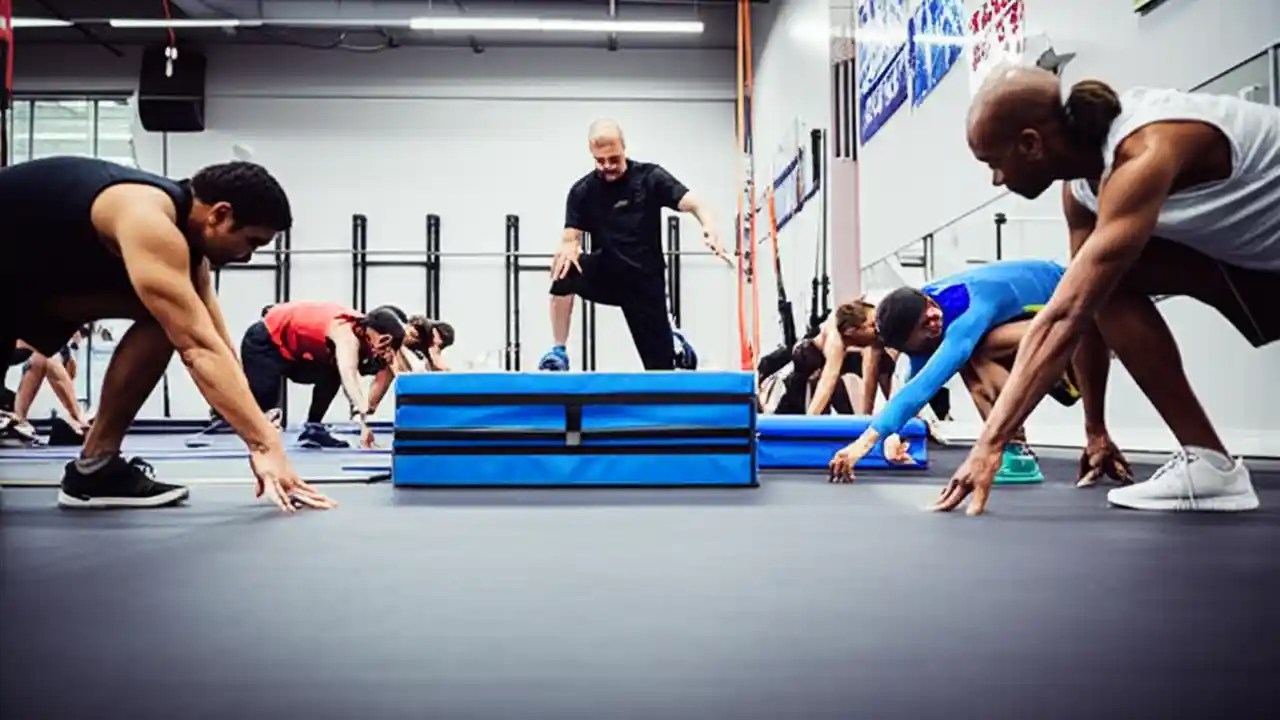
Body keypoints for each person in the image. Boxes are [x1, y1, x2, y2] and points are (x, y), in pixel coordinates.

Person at [936, 64, 1279, 516]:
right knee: (1105, 281)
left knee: (1094, 282)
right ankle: (1209, 464)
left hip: (1257, 258)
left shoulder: (1146, 146)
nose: (996, 180)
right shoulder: (1081, 192)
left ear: (1031, 144)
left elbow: (1061, 317)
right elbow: (1087, 306)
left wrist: (990, 443)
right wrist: (1094, 429)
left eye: (993, 163)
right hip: (1257, 262)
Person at [0, 155, 335, 512]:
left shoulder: (189, 253)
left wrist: (259, 423)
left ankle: (94, 467)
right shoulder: (148, 218)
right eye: (251, 242)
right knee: (171, 317)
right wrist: (263, 444)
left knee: (164, 317)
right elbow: (196, 348)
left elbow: (216, 343)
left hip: (23, 281)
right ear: (219, 215)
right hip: (20, 276)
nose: (248, 257)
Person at [828, 259, 1086, 482]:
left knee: (977, 351)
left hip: (1083, 304)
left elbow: (926, 384)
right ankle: (1063, 377)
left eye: (929, 308)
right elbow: (913, 385)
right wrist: (895, 435)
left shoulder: (968, 311)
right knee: (975, 350)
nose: (933, 316)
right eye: (924, 324)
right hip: (1051, 317)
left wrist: (864, 444)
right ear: (910, 345)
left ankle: (1017, 453)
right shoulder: (925, 320)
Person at [540, 119, 728, 371]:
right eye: (600, 161)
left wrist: (709, 225)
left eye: (614, 159)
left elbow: (695, 203)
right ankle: (558, 351)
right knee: (564, 271)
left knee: (660, 369)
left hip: (645, 282)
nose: (608, 166)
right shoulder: (582, 192)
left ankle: (672, 343)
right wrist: (569, 247)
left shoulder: (650, 177)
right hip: (607, 273)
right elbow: (569, 238)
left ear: (624, 148)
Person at [215, 301, 404, 449]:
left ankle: (313, 428)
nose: (384, 351)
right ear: (376, 332)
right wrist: (364, 421)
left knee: (332, 371)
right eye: (384, 344)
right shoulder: (345, 333)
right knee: (264, 405)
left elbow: (368, 372)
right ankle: (221, 414)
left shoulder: (364, 332)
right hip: (266, 342)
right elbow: (349, 375)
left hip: (297, 353)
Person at [758, 299, 896, 415]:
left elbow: (874, 373)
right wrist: (808, 424)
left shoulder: (867, 338)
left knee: (883, 363)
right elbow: (828, 382)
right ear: (851, 331)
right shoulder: (834, 342)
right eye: (872, 326)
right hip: (794, 396)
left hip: (810, 381)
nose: (877, 330)